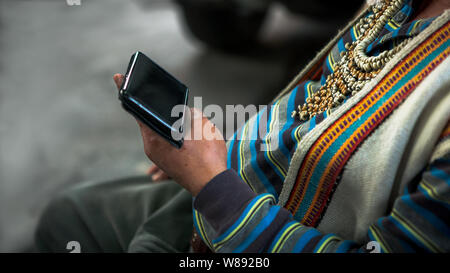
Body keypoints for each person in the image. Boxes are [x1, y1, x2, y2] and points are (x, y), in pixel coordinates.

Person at [35, 0, 450, 253]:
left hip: (238, 222)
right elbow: (323, 97)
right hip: (234, 183)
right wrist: (217, 152)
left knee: (68, 222)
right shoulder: (405, 5)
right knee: (72, 210)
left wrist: (214, 186)